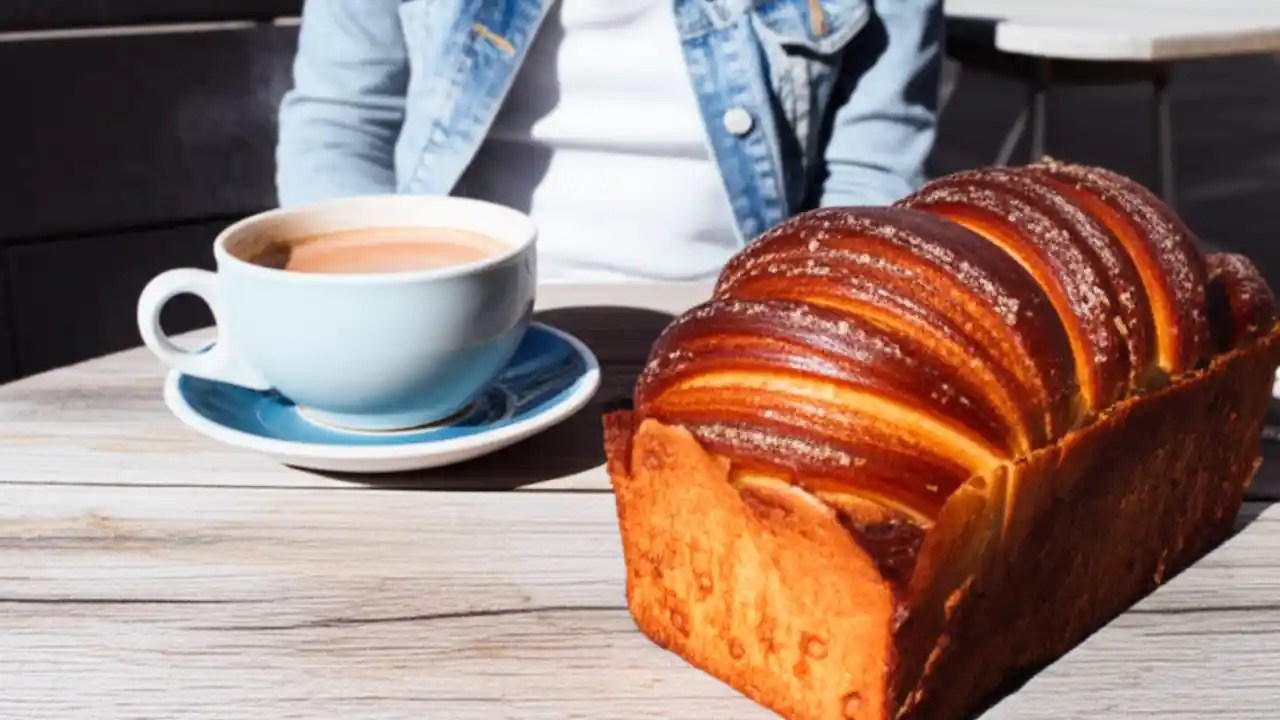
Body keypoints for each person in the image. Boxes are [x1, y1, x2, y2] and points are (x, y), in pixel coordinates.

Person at [277, 0, 942, 282]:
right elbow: (343, 121)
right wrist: (371, 319)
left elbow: (871, 180)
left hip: (736, 327)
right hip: (449, 324)